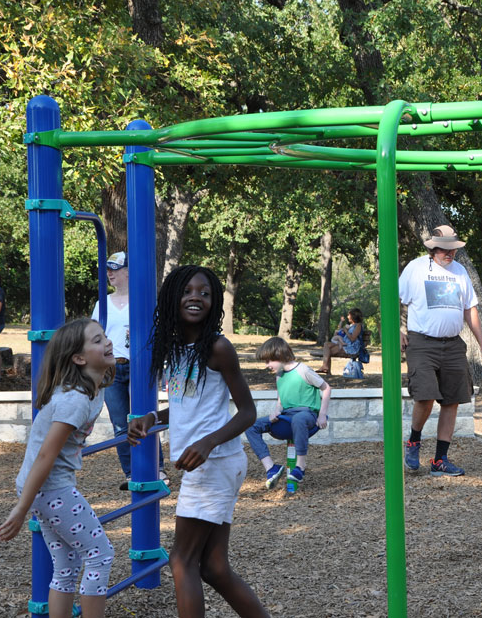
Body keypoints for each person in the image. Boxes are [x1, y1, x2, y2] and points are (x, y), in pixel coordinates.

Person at [127, 265, 269, 618]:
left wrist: (207, 443)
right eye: (187, 291)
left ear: (215, 302)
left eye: (204, 293)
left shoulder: (218, 348)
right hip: (212, 464)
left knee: (181, 559)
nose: (196, 297)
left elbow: (248, 412)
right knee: (214, 568)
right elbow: (184, 405)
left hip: (214, 464)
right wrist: (152, 418)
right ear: (172, 299)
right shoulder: (177, 349)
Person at [0, 318, 117, 618]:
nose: (107, 342)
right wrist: (21, 509)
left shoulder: (94, 384)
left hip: (45, 486)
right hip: (48, 487)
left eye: (105, 336)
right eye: (97, 340)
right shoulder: (75, 400)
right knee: (100, 554)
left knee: (67, 565)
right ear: (79, 358)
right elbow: (45, 456)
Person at [399, 225, 482, 477]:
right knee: (425, 395)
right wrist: (396, 329)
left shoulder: (460, 271)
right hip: (422, 342)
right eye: (445, 249)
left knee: (452, 400)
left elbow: (470, 309)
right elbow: (395, 299)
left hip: (453, 344)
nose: (450, 253)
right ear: (433, 248)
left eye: (453, 249)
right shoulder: (416, 268)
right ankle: (413, 442)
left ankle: (440, 460)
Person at [90, 252, 167, 490]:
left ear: (129, 272)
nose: (109, 274)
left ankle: (156, 468)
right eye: (108, 269)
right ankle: (131, 472)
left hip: (139, 367)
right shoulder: (102, 304)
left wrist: (158, 365)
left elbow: (158, 334)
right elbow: (93, 335)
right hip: (111, 369)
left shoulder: (144, 301)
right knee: (120, 423)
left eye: (114, 269)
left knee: (143, 416)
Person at [244, 336, 331, 489]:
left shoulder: (303, 370)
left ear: (279, 355)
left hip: (307, 414)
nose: (267, 365)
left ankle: (300, 467)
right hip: (287, 416)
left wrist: (322, 414)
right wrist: (275, 412)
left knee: (299, 419)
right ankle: (271, 468)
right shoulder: (279, 375)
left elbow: (326, 388)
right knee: (251, 426)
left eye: (268, 361)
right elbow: (281, 400)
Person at [317, 308, 364, 374]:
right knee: (326, 344)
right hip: (344, 344)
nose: (347, 317)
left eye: (349, 315)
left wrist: (346, 331)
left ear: (353, 316)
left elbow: (353, 339)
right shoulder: (351, 325)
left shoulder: (358, 325)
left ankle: (326, 369)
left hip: (351, 347)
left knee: (328, 351)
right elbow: (341, 329)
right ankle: (325, 367)